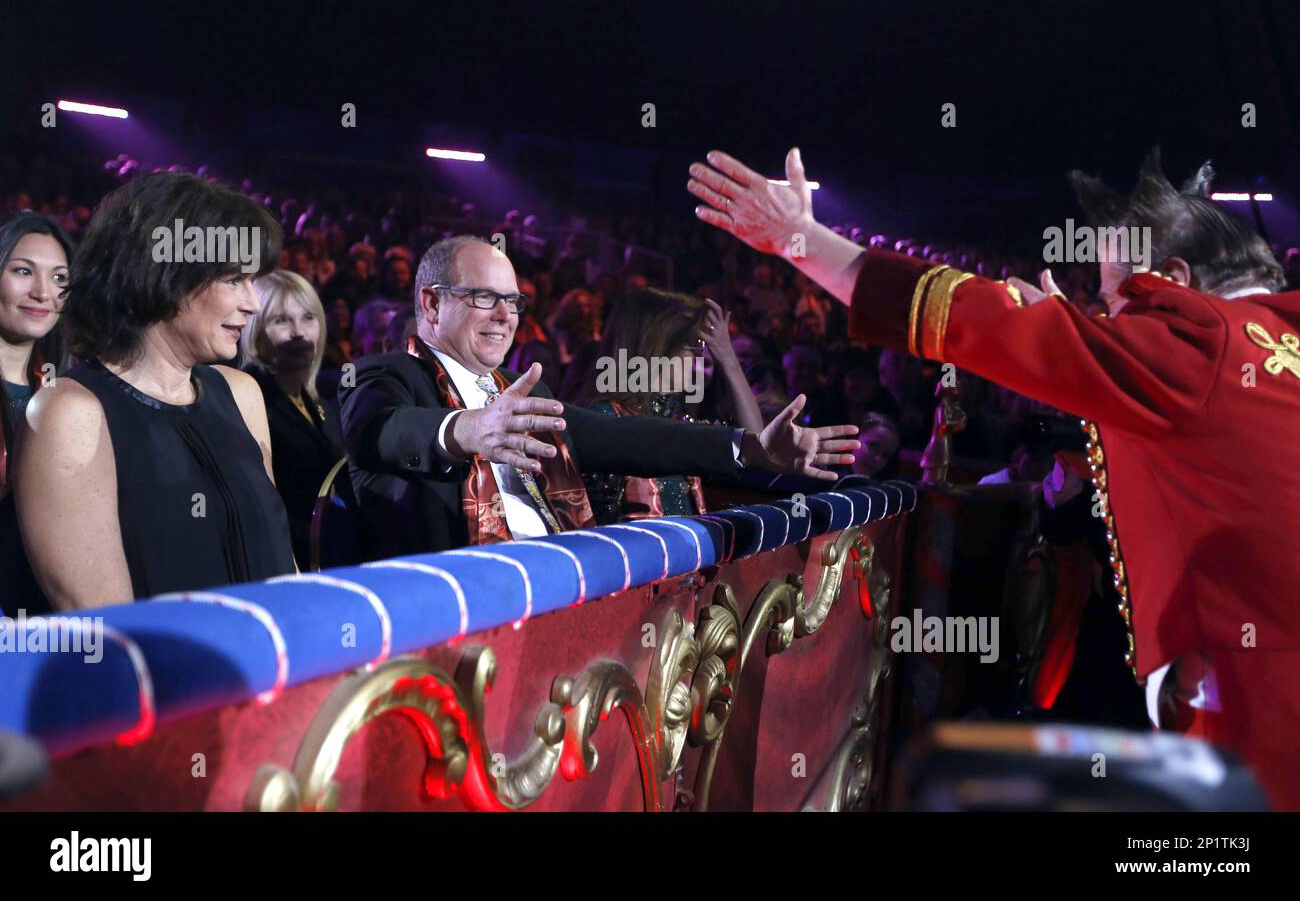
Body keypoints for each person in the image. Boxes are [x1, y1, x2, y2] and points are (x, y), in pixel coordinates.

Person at [689, 145, 1299, 809]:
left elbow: (985, 323)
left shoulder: (1198, 339)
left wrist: (805, 243)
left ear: (1173, 281)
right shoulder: (1271, 338)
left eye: (1106, 300)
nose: (1102, 321)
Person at [338, 235, 858, 558]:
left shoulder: (526, 391)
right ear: (431, 303)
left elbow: (625, 434)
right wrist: (469, 429)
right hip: (454, 611)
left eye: (514, 302)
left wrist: (747, 449)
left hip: (560, 589)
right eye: (484, 298)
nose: (505, 316)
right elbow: (382, 432)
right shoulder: (384, 376)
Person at [14, 172, 296, 609]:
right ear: (166, 276)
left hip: (281, 666)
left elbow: (283, 568)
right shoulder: (70, 413)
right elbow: (110, 628)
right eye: (232, 280)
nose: (253, 303)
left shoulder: (242, 393)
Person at [579, 289, 763, 523]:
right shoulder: (606, 417)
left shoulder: (680, 421)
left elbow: (756, 443)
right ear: (659, 345)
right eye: (695, 345)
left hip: (686, 556)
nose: (700, 358)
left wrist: (728, 358)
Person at [241, 270, 345, 569]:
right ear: (254, 328)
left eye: (308, 317)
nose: (299, 332)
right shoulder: (249, 399)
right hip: (284, 565)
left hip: (327, 557)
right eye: (282, 320)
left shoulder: (318, 401)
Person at [0, 213, 73, 615]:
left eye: (60, 278)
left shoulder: (70, 393)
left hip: (47, 614)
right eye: (24, 271)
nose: (44, 292)